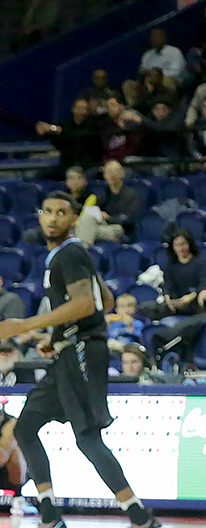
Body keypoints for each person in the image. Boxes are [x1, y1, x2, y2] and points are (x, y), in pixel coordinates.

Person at [0, 193, 162, 528]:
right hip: (69, 350)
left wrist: (25, 325)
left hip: (84, 352)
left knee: (87, 437)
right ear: (39, 216)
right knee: (27, 425)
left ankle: (139, 516)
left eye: (62, 213)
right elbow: (105, 297)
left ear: (74, 219)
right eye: (47, 211)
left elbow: (87, 304)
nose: (53, 218)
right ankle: (49, 513)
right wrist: (57, 337)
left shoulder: (69, 253)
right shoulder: (70, 254)